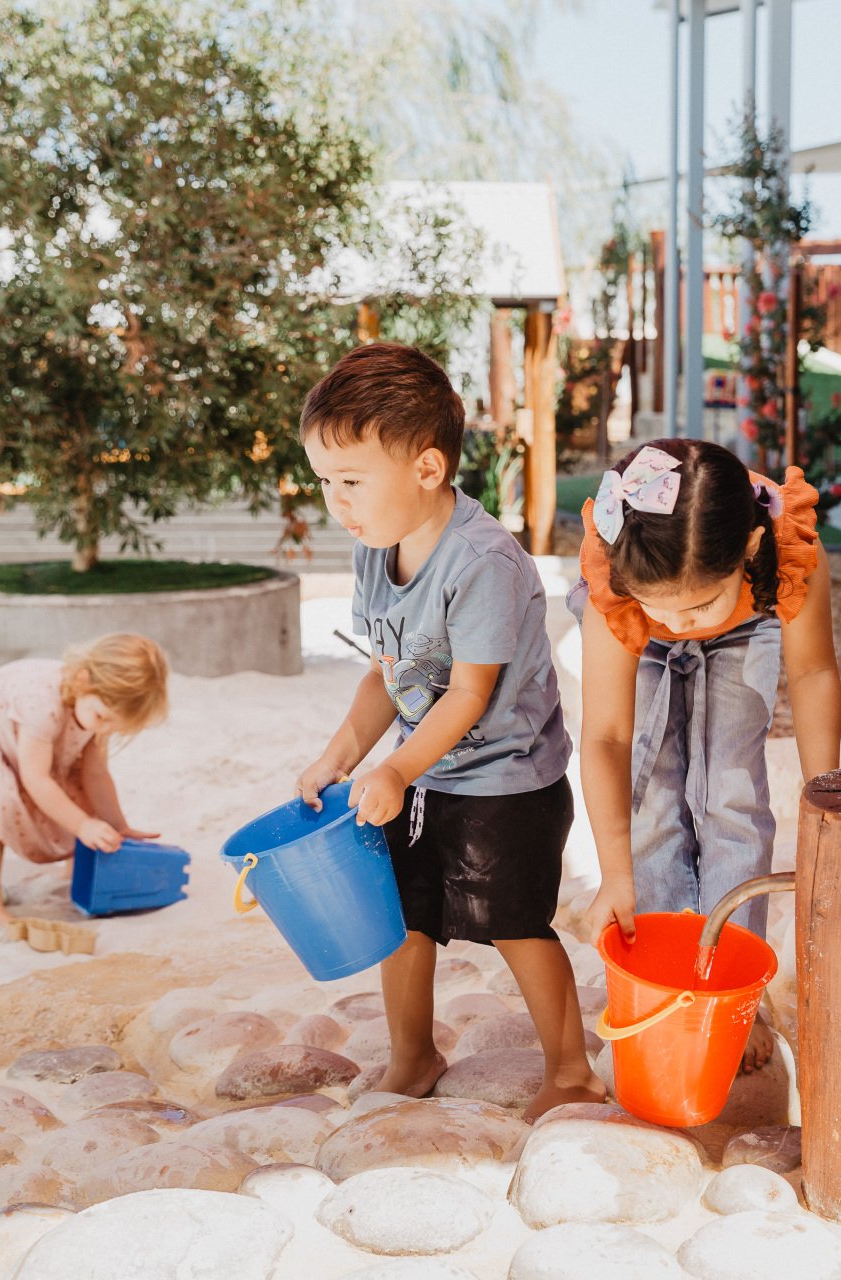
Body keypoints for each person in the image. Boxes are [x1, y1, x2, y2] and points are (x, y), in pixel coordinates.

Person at [292, 342, 604, 1122]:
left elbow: (469, 693)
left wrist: (395, 770)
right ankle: (413, 1054)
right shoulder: (375, 550)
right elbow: (382, 675)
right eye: (326, 483)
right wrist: (339, 759)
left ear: (427, 470)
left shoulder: (482, 562)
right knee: (405, 917)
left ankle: (571, 1071)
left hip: (508, 780)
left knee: (517, 926)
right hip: (425, 775)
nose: (338, 502)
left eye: (352, 482)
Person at [574, 439, 841, 1067]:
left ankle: (731, 996)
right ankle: (667, 982)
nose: (684, 625)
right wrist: (615, 875)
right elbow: (607, 737)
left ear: (748, 551)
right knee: (651, 802)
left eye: (699, 605)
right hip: (636, 625)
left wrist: (826, 809)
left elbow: (813, 676)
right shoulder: (619, 577)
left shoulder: (785, 547)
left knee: (732, 799)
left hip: (749, 626)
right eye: (668, 608)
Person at [0, 632, 169, 930]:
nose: (107, 728)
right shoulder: (40, 701)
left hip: (29, 742)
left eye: (116, 724)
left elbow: (96, 775)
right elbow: (36, 778)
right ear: (83, 681)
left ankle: (75, 876)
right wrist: (83, 825)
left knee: (76, 789)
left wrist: (116, 824)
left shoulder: (97, 707)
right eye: (103, 718)